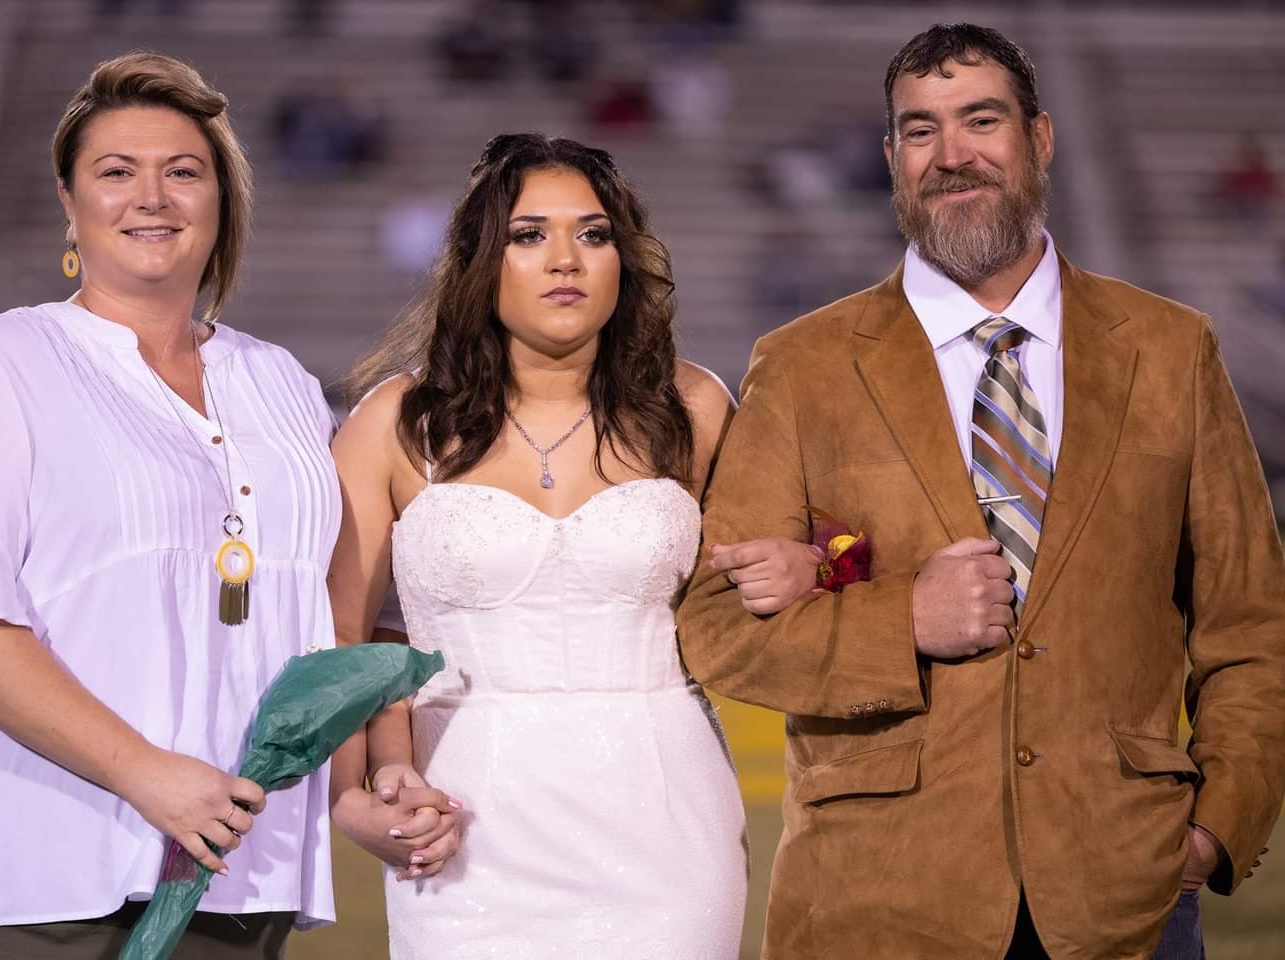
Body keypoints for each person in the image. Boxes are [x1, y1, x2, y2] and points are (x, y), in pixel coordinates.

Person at [678, 22, 1285, 960]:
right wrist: (902, 621)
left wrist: (1217, 825)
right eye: (920, 130)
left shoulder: (1171, 350)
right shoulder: (801, 366)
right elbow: (716, 629)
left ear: (1040, 138)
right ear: (891, 158)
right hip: (876, 903)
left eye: (981, 121)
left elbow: (1249, 625)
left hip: (1127, 900)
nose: (951, 154)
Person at [0, 51, 449, 960]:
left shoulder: (282, 385)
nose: (152, 197)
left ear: (223, 200)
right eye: (117, 172)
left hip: (237, 873)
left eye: (184, 172)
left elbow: (331, 621)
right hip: (35, 875)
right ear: (69, 200)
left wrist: (359, 790)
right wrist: (148, 775)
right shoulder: (3, 361)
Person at [327, 133, 749, 958]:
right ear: (481, 260)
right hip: (460, 824)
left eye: (593, 234)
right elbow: (345, 637)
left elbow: (742, 598)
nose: (566, 260)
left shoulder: (695, 407)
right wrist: (354, 792)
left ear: (623, 259)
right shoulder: (394, 422)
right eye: (529, 235)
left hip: (666, 822)